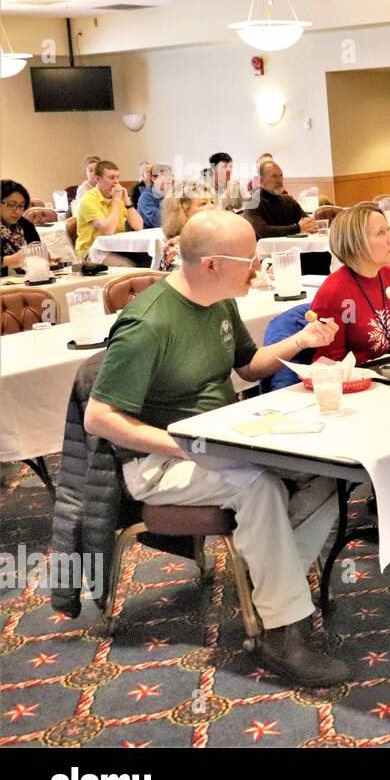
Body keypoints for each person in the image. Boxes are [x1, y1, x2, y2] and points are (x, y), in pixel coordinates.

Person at [84, 210, 347, 684]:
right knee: (259, 488)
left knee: (330, 468)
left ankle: (270, 578)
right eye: (249, 259)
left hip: (222, 438)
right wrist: (186, 447)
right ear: (209, 265)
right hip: (158, 460)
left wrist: (301, 340)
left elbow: (248, 368)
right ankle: (281, 633)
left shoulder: (220, 301)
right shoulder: (148, 323)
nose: (257, 268)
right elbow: (99, 418)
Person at [309, 202, 390, 364]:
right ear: (356, 243)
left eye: (388, 230)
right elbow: (330, 360)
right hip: (356, 380)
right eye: (380, 233)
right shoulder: (333, 292)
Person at [75, 160, 144, 265]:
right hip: (92, 250)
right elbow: (108, 230)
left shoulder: (117, 197)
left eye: (117, 177)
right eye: (111, 178)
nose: (116, 182)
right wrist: (116, 201)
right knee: (127, 266)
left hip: (116, 246)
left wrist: (127, 202)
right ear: (98, 179)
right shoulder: (88, 200)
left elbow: (138, 226)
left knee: (148, 259)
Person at [242, 160, 318, 239]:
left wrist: (310, 224)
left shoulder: (289, 201)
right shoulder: (252, 203)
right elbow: (263, 231)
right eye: (274, 176)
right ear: (261, 181)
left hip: (295, 248)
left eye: (280, 175)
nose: (279, 180)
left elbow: (308, 222)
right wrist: (297, 228)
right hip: (267, 250)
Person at [157, 181, 216, 272]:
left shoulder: (211, 239)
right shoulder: (175, 248)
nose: (212, 207)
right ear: (183, 211)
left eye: (212, 202)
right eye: (203, 204)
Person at [1, 180, 41, 268]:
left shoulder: (26, 225)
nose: (17, 211)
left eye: (21, 206)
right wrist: (11, 260)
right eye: (11, 205)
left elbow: (36, 249)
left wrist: (45, 259)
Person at [135, 162, 168, 230]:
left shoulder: (169, 194)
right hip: (150, 236)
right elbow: (158, 222)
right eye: (164, 176)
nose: (168, 179)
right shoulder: (146, 197)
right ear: (154, 179)